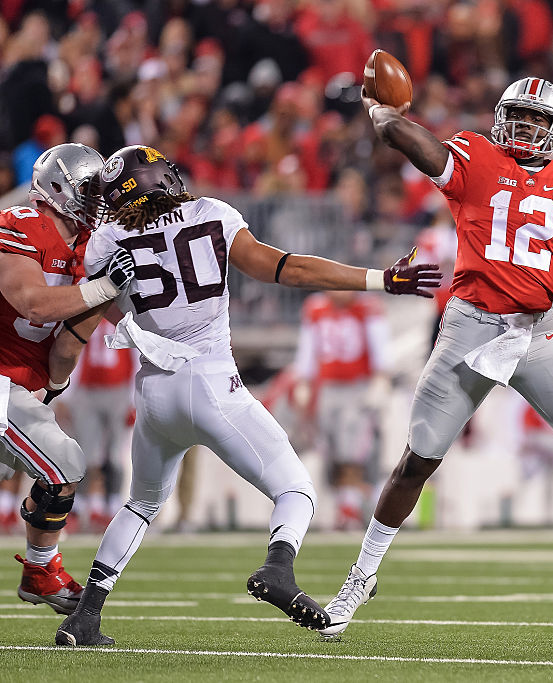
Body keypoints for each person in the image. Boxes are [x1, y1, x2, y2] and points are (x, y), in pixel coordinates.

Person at [319, 77, 553, 640]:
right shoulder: (476, 156)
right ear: (501, 115)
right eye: (520, 114)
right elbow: (405, 140)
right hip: (472, 325)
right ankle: (360, 578)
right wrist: (382, 112)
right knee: (418, 459)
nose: (527, 126)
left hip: (539, 330)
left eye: (539, 119)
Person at [54, 144, 441, 647]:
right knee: (296, 490)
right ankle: (278, 567)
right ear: (163, 178)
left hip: (154, 391)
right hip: (213, 383)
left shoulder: (106, 239)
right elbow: (286, 268)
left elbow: (103, 310)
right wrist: (379, 279)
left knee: (141, 504)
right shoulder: (209, 213)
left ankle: (86, 616)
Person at [0, 143, 135, 615]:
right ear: (58, 187)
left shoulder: (88, 246)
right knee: (64, 463)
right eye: (90, 191)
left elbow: (74, 338)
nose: (100, 201)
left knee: (59, 467)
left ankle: (40, 572)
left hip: (19, 385)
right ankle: (41, 571)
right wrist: (104, 286)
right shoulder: (20, 224)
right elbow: (34, 304)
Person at [293, 290, 391, 530]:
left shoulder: (366, 307)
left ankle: (351, 508)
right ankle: (344, 506)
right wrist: (303, 380)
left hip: (358, 386)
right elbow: (307, 348)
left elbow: (380, 347)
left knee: (353, 449)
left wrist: (381, 378)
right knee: (331, 449)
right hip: (327, 387)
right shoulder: (316, 307)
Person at [64, 317, 137, 532]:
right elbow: (75, 350)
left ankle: (112, 506)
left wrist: (134, 399)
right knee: (86, 455)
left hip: (118, 390)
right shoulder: (88, 313)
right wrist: (67, 395)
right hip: (87, 390)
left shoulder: (125, 315)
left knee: (115, 455)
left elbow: (136, 357)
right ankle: (80, 507)